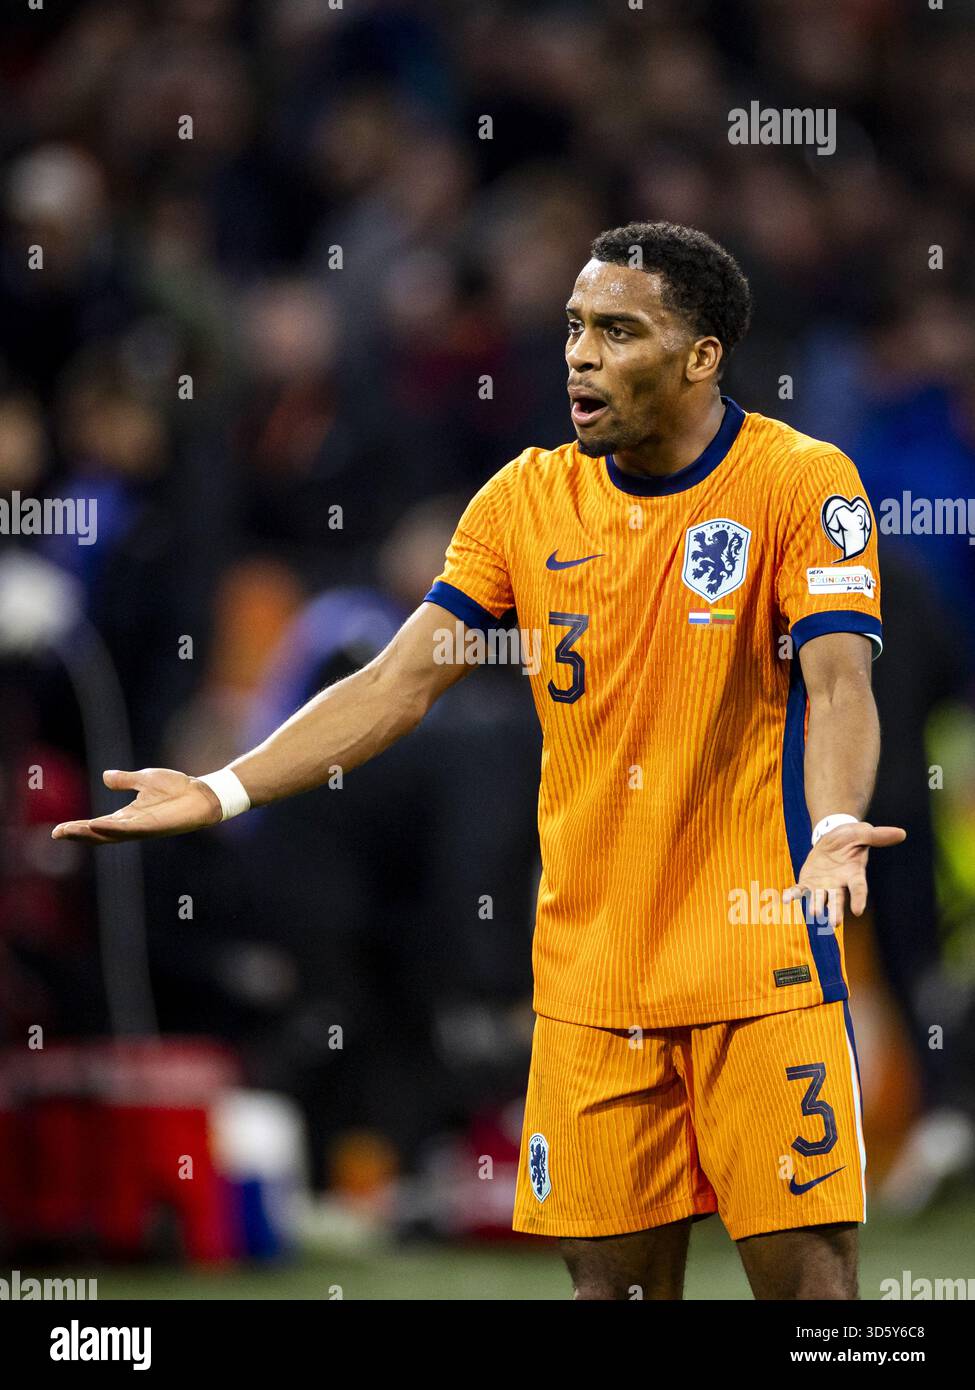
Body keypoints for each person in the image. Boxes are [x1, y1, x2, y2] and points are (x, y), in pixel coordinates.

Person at [53, 222, 906, 1301]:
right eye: (574, 328)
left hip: (761, 964)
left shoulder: (799, 481)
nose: (580, 355)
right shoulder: (523, 501)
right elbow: (394, 683)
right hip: (593, 985)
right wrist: (225, 785)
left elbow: (839, 681)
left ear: (702, 357)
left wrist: (835, 828)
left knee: (811, 1296)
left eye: (618, 330)